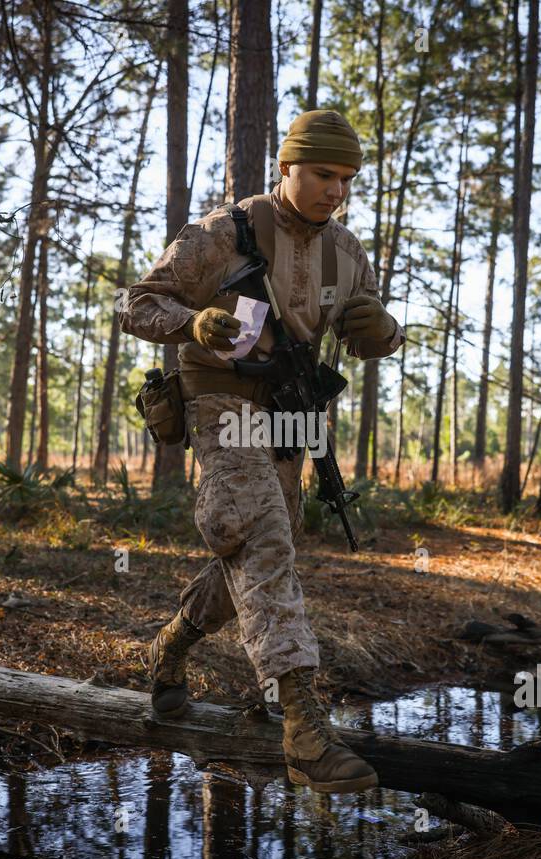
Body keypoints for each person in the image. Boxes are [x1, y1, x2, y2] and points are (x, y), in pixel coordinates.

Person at [121, 110, 405, 793]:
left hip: (290, 412)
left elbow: (368, 332)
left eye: (346, 179)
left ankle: (170, 646)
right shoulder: (226, 232)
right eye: (321, 175)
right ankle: (303, 724)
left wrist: (385, 332)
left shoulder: (346, 252)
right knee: (256, 530)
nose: (334, 191)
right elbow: (137, 303)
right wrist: (193, 321)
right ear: (287, 168)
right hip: (220, 402)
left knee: (255, 545)